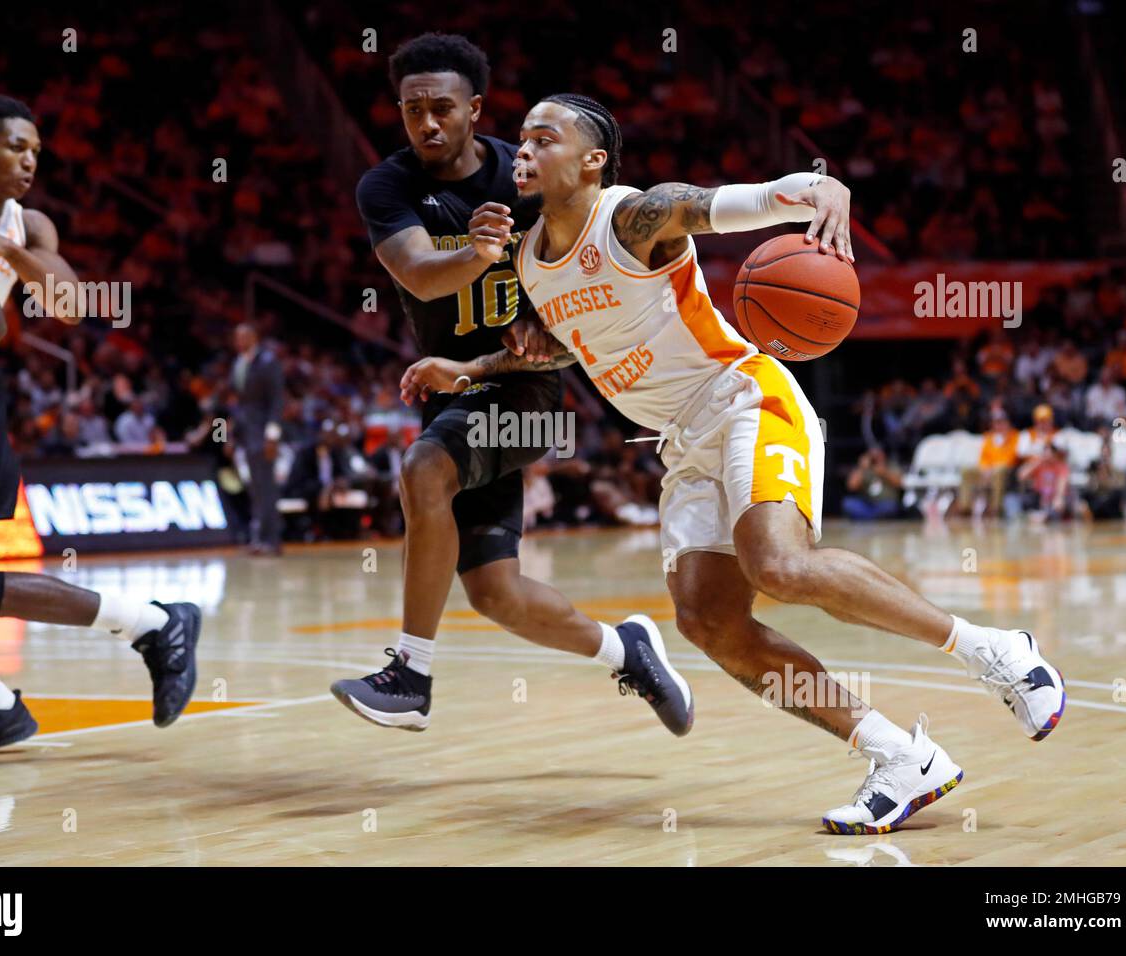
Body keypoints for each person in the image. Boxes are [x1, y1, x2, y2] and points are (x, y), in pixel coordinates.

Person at [429, 92, 1064, 833]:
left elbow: (738, 204)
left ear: (593, 161)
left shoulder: (636, 215)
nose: (525, 151)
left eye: (545, 138)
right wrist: (475, 368)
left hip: (743, 398)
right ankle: (899, 756)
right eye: (522, 141)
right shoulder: (531, 263)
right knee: (709, 622)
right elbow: (586, 341)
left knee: (782, 566)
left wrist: (818, 189)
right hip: (680, 441)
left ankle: (996, 652)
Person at [334, 34, 691, 736]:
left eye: (442, 107)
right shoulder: (388, 185)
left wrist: (541, 319)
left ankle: (409, 675)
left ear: (476, 108)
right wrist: (478, 252)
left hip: (528, 388)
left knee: (423, 469)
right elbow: (415, 271)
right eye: (413, 110)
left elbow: (591, 262)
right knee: (497, 593)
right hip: (452, 392)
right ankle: (630, 650)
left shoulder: (527, 173)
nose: (428, 123)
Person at [0, 70, 199, 759]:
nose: (29, 161)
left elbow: (73, 306)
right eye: (17, 147)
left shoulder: (18, 220)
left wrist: (11, 251)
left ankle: (152, 622)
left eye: (37, 152)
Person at [231, 322, 285, 555]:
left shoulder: (268, 361)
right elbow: (239, 404)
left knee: (267, 487)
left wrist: (272, 435)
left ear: (255, 337)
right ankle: (258, 538)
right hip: (246, 434)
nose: (241, 341)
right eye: (237, 337)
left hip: (263, 434)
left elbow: (276, 401)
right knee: (254, 489)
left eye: (245, 336)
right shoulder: (239, 363)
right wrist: (231, 436)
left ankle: (272, 540)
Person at [956, 406, 1018, 518]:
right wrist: (985, 468)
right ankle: (965, 507)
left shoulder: (1014, 436)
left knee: (999, 470)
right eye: (996, 423)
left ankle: (996, 508)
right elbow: (983, 456)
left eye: (1002, 422)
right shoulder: (989, 437)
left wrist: (993, 468)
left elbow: (1011, 457)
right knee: (966, 471)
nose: (999, 425)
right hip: (988, 469)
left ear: (1008, 423)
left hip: (1006, 470)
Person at [843, 448, 905, 521]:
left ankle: (867, 519)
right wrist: (861, 468)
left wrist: (884, 473)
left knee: (891, 507)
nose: (876, 457)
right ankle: (871, 519)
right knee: (848, 503)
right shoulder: (864, 469)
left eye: (878, 454)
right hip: (867, 505)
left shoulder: (891, 465)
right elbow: (851, 486)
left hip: (885, 504)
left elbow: (900, 484)